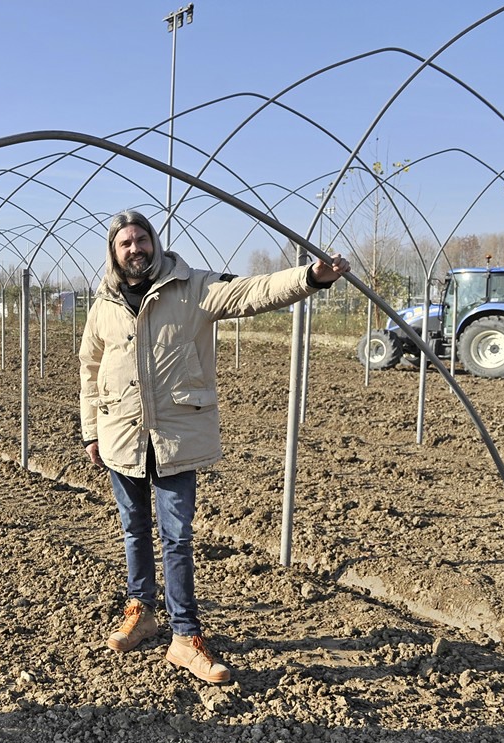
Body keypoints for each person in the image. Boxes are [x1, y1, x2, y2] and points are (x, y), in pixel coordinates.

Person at [79, 210, 349, 684]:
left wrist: (309, 277)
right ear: (113, 252)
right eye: (126, 243)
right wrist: (91, 431)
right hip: (121, 434)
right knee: (133, 529)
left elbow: (252, 291)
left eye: (142, 238)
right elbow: (89, 368)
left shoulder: (193, 287)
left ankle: (185, 637)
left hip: (175, 435)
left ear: (154, 243)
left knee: (177, 537)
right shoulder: (104, 303)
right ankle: (141, 612)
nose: (135, 248)